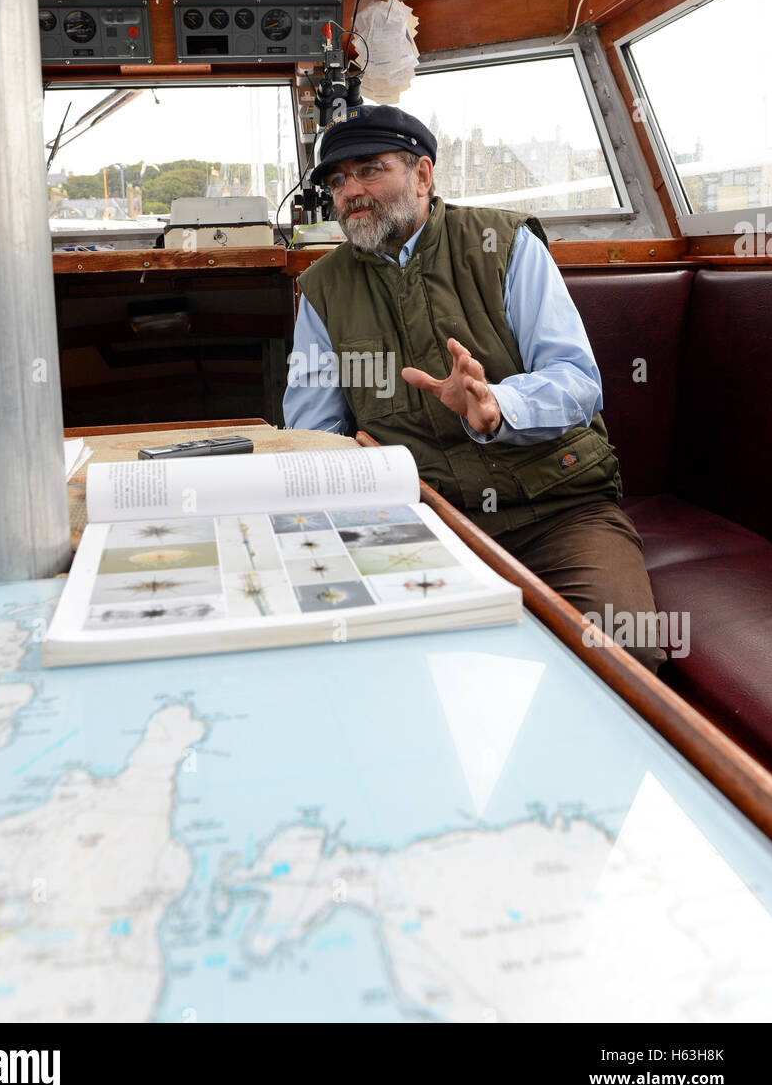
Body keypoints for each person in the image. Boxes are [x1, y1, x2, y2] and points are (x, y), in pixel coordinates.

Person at [283, 104, 665, 673]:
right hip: (420, 520)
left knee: (622, 652)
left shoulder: (505, 241)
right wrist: (349, 465)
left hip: (557, 510)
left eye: (369, 170)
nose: (350, 192)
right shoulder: (321, 289)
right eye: (337, 182)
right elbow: (312, 429)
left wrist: (498, 407)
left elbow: (576, 379)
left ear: (423, 175)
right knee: (361, 662)